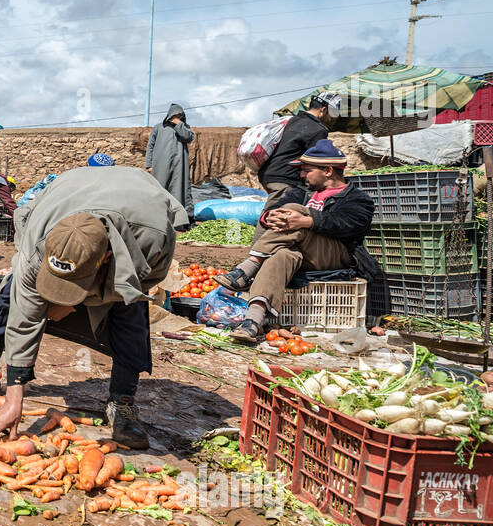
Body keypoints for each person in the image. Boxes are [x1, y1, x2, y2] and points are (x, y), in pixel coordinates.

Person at [0, 166, 187, 449]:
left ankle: (122, 402)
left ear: (106, 258)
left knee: (130, 311)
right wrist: (13, 398)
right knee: (10, 294)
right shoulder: (38, 240)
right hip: (66, 194)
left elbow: (148, 282)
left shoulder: (152, 238)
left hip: (137, 206)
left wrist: (76, 303)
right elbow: (24, 318)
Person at [216, 140, 375, 343]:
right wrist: (270, 217)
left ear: (327, 170)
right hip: (298, 254)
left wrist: (307, 221)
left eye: (306, 170)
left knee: (297, 212)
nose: (301, 175)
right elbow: (270, 214)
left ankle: (250, 266)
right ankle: (252, 321)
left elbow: (350, 224)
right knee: (282, 254)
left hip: (334, 255)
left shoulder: (357, 198)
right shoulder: (300, 192)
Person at [259, 91, 338, 207]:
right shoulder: (318, 129)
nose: (331, 119)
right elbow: (317, 159)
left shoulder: (291, 121)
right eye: (332, 114)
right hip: (285, 178)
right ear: (324, 110)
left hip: (268, 173)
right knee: (274, 217)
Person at [145, 103, 194, 214]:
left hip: (179, 165)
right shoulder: (159, 127)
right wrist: (149, 165)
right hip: (160, 165)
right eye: (176, 115)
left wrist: (179, 124)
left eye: (180, 115)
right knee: (159, 188)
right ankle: (157, 215)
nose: (178, 117)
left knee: (179, 190)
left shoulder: (185, 127)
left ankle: (179, 217)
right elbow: (150, 146)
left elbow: (188, 137)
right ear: (170, 114)